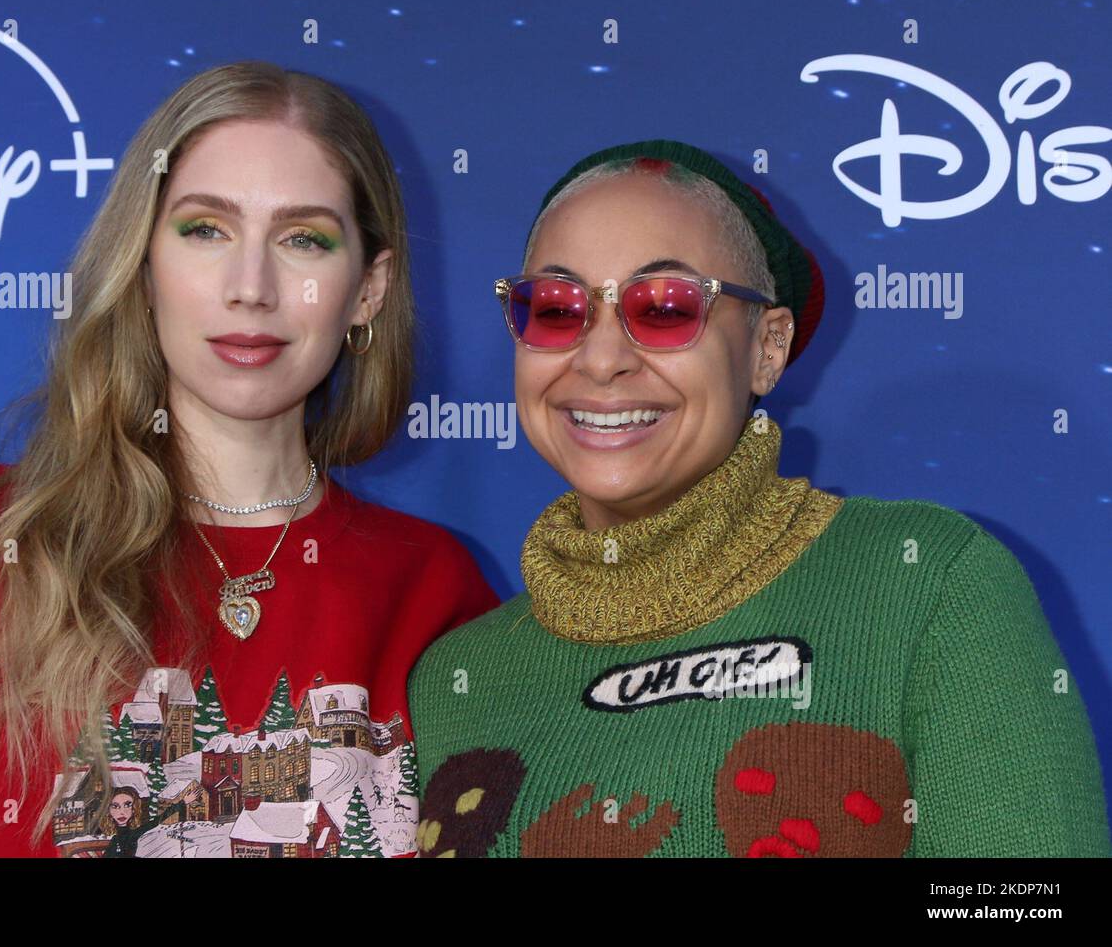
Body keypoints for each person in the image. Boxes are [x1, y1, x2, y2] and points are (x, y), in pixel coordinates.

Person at [0, 61, 498, 858]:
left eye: (303, 239)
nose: (251, 286)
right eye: (206, 229)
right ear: (143, 265)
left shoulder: (437, 592)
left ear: (367, 291)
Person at [407, 139, 1110, 858]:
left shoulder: (930, 583)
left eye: (665, 307)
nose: (601, 357)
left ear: (768, 348)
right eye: (557, 308)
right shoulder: (454, 681)